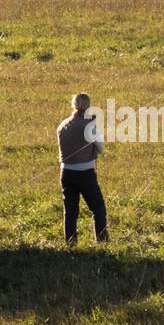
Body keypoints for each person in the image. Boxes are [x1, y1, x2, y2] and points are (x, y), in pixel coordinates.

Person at [57, 92, 108, 245]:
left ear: (73, 105)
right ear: (88, 106)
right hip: (85, 173)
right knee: (98, 208)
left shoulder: (63, 125)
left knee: (70, 211)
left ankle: (71, 243)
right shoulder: (88, 126)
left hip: (66, 172)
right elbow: (100, 148)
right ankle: (102, 241)